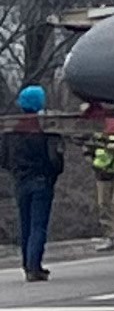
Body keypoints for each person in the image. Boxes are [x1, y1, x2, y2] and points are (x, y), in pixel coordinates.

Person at [7, 89, 57, 282]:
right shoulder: (43, 129)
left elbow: (3, 157)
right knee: (38, 225)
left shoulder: (11, 129)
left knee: (25, 224)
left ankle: (27, 264)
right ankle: (34, 266)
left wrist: (16, 170)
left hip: (20, 180)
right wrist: (52, 173)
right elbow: (54, 158)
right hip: (40, 180)